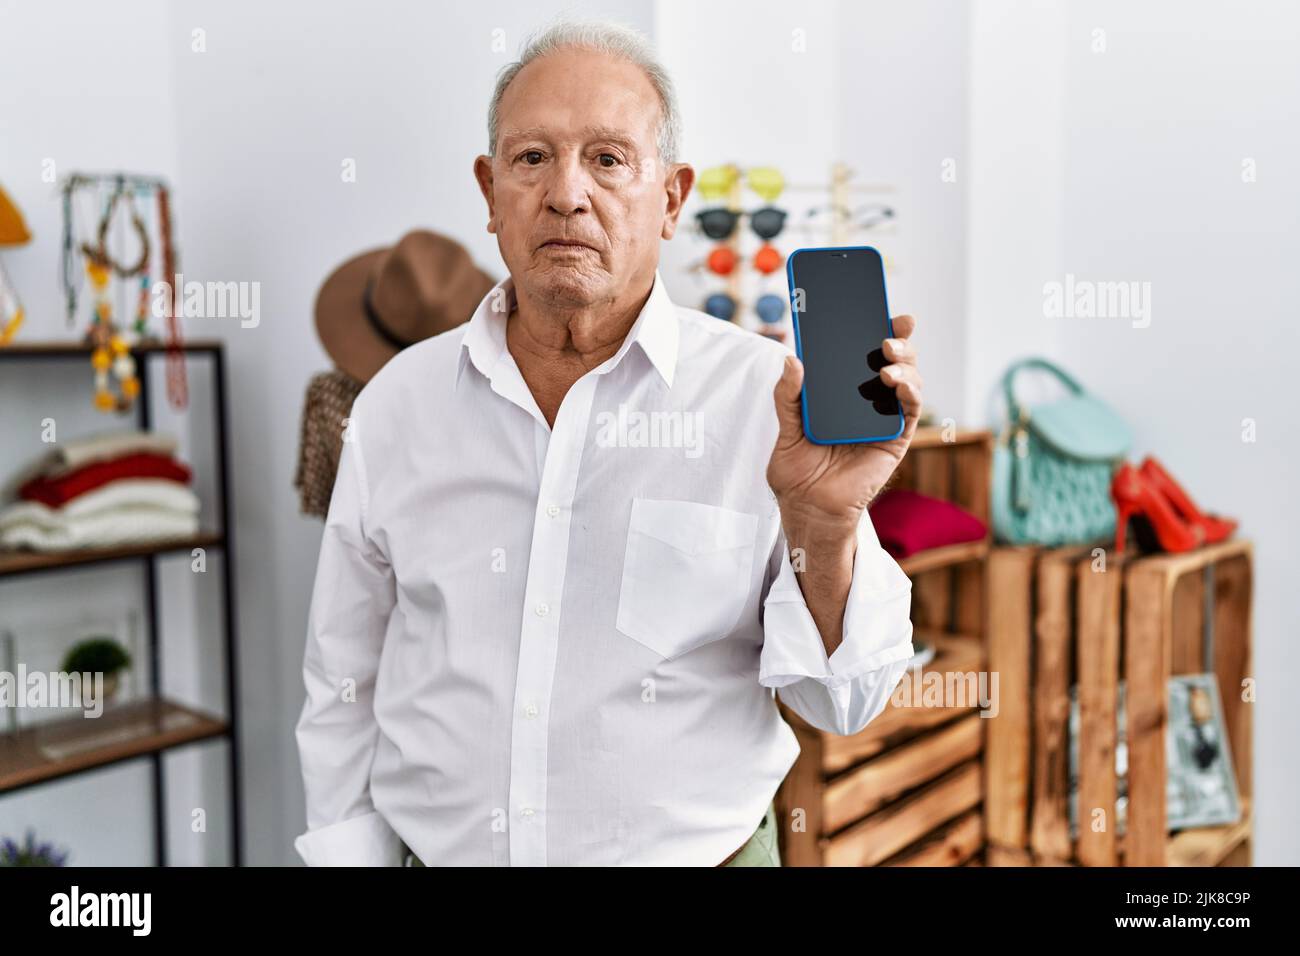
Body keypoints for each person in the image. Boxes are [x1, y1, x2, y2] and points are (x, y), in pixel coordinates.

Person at [294, 17, 924, 867]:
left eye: (608, 158)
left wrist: (825, 524)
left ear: (670, 197)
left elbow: (841, 701)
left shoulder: (764, 398)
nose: (566, 194)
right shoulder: (397, 405)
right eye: (531, 159)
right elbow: (343, 675)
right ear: (489, 193)